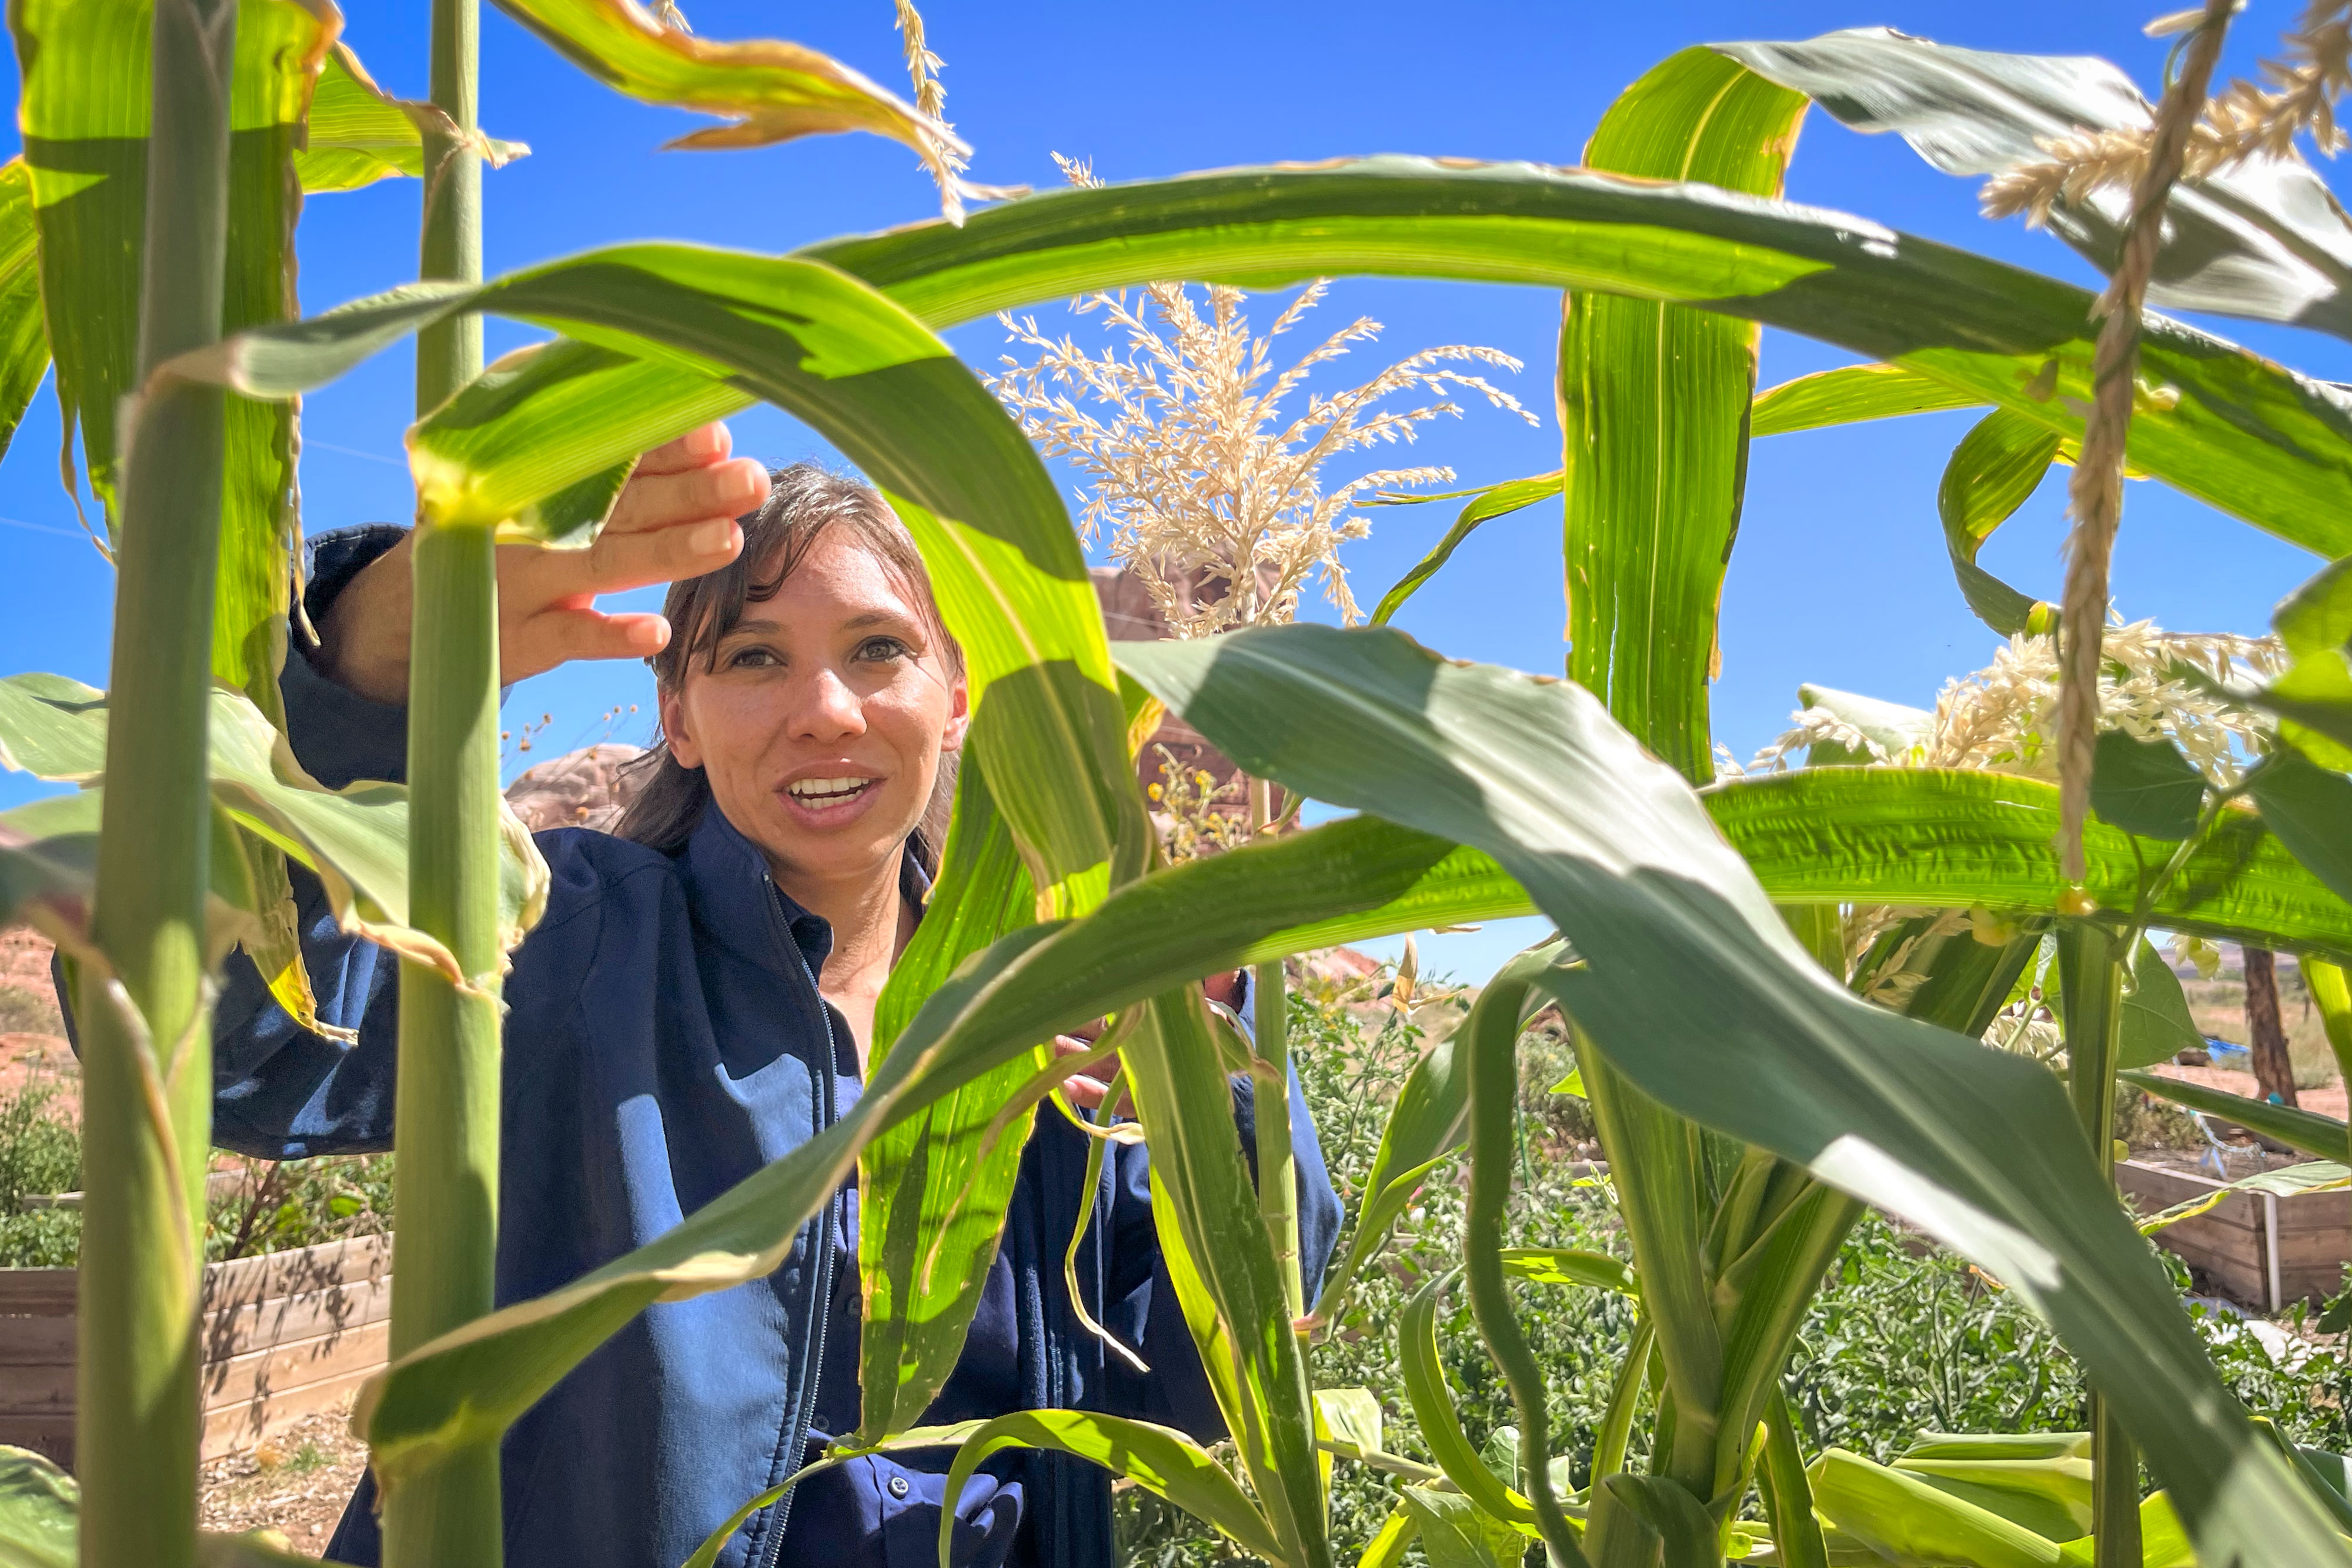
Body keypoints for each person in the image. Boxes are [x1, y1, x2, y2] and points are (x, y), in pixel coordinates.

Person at [199, 426, 1342, 1568]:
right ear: (678, 716)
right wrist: (360, 666)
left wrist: (1220, 1076)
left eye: (877, 647)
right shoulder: (564, 932)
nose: (826, 710)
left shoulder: (1047, 1020)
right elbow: (236, 1060)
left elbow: (1188, 1385)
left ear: (951, 697)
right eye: (753, 656)